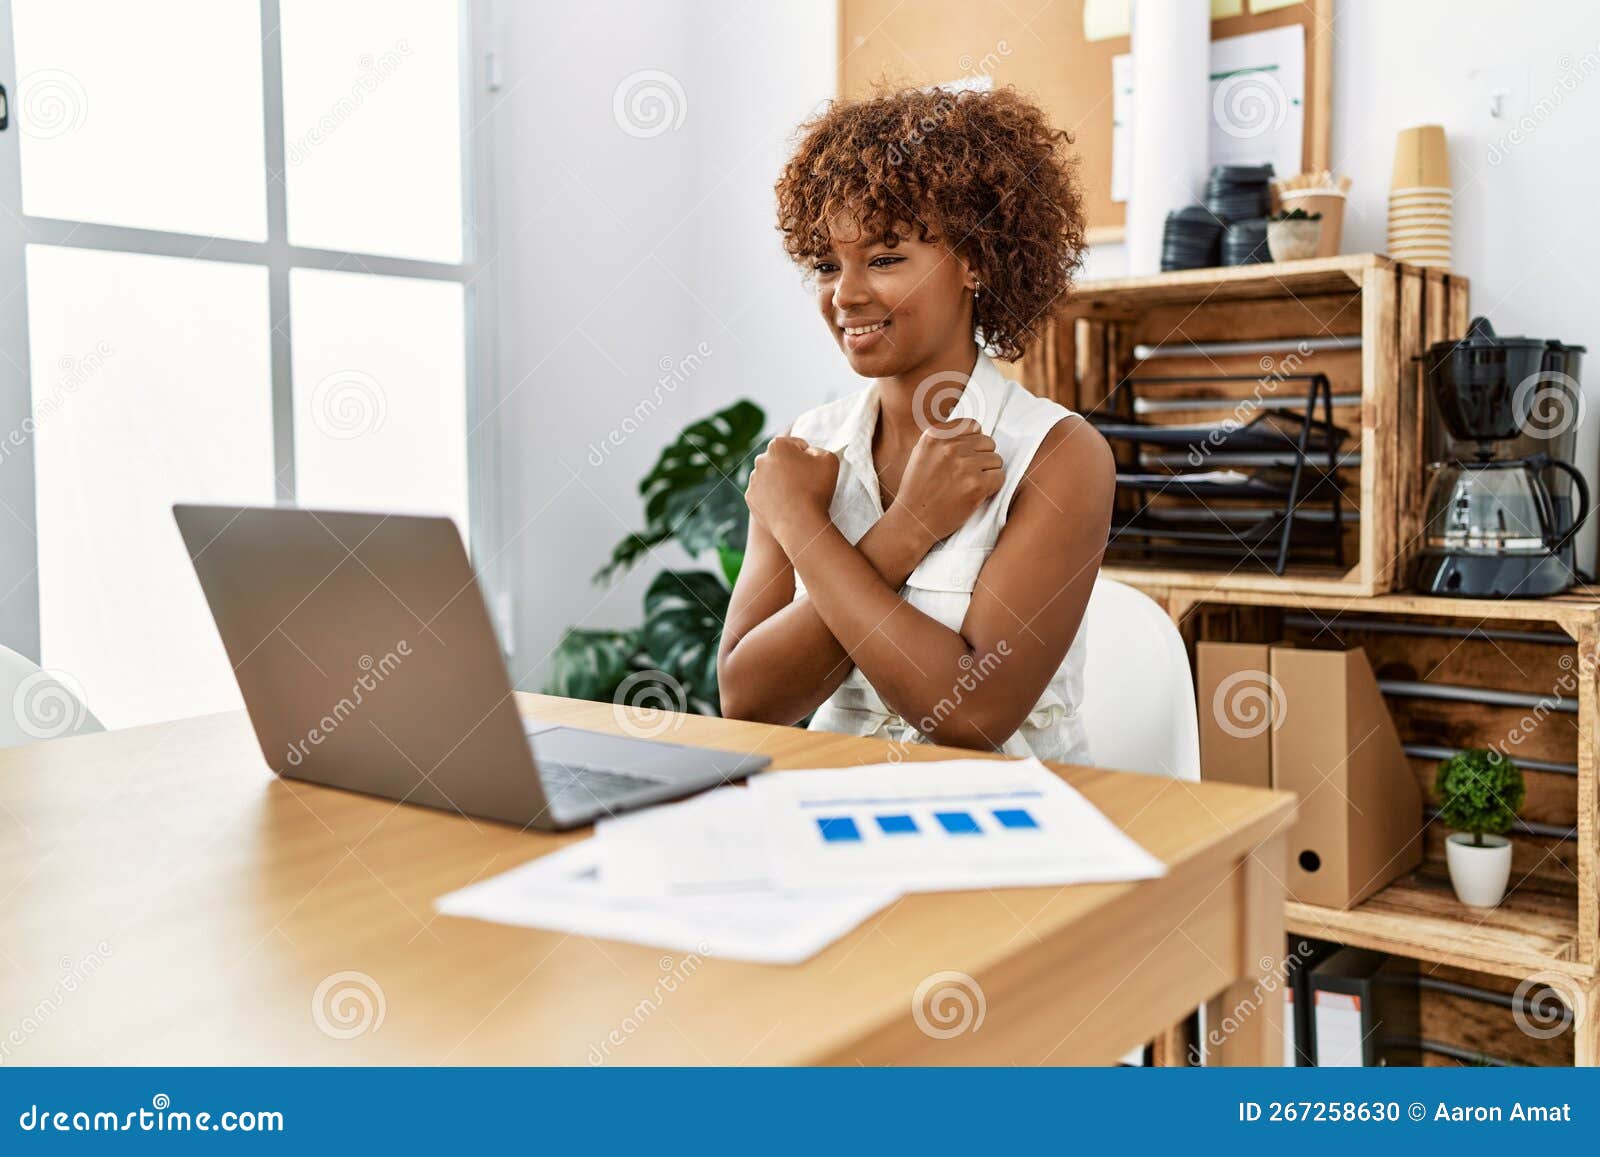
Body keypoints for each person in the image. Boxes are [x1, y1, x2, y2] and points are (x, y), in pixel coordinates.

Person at [717, 86, 1114, 763]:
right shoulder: (806, 452)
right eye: (825, 263)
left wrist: (812, 531)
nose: (844, 294)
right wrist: (902, 532)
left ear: (974, 262)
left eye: (884, 257)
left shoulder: (1058, 454)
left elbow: (972, 714)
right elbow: (748, 701)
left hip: (1006, 830)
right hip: (834, 817)